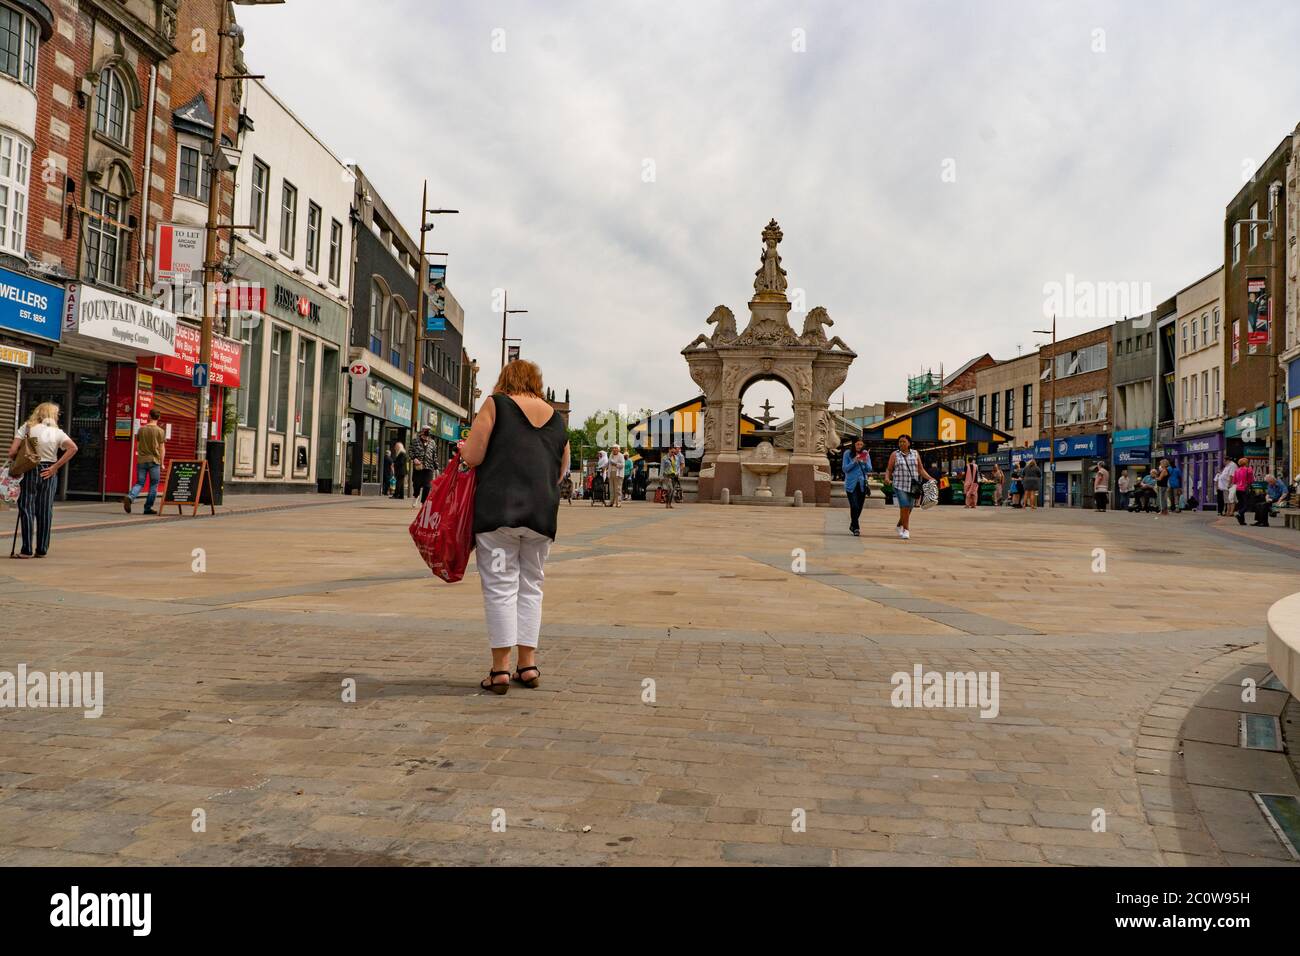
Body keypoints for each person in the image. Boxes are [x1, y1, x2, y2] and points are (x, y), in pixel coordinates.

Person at [460, 360, 569, 696]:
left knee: (500, 587)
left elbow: (474, 456)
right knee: (531, 586)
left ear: (505, 379)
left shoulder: (496, 405)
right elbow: (562, 470)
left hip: (499, 513)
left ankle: (500, 670)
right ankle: (528, 663)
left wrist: (464, 450)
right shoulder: (555, 415)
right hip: (541, 515)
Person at [8, 403, 78, 559]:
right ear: (52, 415)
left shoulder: (27, 428)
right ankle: (42, 548)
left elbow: (12, 451)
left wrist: (17, 458)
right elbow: (73, 448)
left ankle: (26, 549)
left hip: (29, 469)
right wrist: (56, 466)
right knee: (45, 509)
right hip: (49, 471)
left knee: (26, 508)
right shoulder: (57, 432)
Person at [884, 434, 935, 541]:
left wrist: (930, 478)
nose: (901, 444)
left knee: (910, 508)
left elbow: (920, 470)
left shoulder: (915, 453)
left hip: (913, 486)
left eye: (904, 442)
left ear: (909, 443)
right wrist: (887, 478)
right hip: (899, 484)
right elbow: (889, 469)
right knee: (905, 506)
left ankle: (899, 525)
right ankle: (906, 530)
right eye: (900, 442)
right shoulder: (895, 454)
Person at [122, 409, 165, 514]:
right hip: (154, 460)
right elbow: (162, 448)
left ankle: (130, 496)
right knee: (154, 484)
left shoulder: (141, 430)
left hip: (141, 460)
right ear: (158, 418)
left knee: (140, 482)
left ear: (149, 416)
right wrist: (162, 463)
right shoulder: (160, 431)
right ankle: (147, 508)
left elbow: (138, 443)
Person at [842, 439, 870, 535]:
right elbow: (845, 469)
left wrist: (865, 461)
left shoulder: (865, 453)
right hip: (851, 484)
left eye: (861, 444)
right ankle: (856, 528)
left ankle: (852, 524)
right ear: (854, 445)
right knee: (854, 506)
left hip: (862, 483)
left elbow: (869, 469)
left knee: (859, 507)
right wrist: (854, 461)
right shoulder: (848, 453)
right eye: (857, 444)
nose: (859, 446)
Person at [409, 426, 439, 504]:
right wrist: (414, 458)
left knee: (427, 486)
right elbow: (410, 451)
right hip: (418, 467)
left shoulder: (432, 442)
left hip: (429, 467)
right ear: (421, 433)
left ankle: (423, 502)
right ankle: (416, 495)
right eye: (425, 435)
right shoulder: (415, 441)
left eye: (428, 436)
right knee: (416, 484)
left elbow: (434, 455)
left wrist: (436, 467)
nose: (426, 438)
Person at [1233, 457, 1256, 527]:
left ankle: (1242, 521)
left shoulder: (1236, 470)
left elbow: (1234, 481)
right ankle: (1239, 513)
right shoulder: (1249, 470)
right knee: (1247, 504)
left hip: (1238, 489)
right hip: (1245, 488)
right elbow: (1251, 480)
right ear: (1246, 463)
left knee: (1241, 504)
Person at [661, 444, 684, 508]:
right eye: (672, 452)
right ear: (669, 450)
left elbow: (678, 467)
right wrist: (661, 477)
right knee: (670, 489)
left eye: (674, 452)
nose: (673, 453)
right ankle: (667, 503)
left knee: (672, 490)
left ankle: (669, 503)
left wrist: (678, 474)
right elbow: (662, 468)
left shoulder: (676, 458)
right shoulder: (664, 458)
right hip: (667, 475)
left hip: (674, 476)